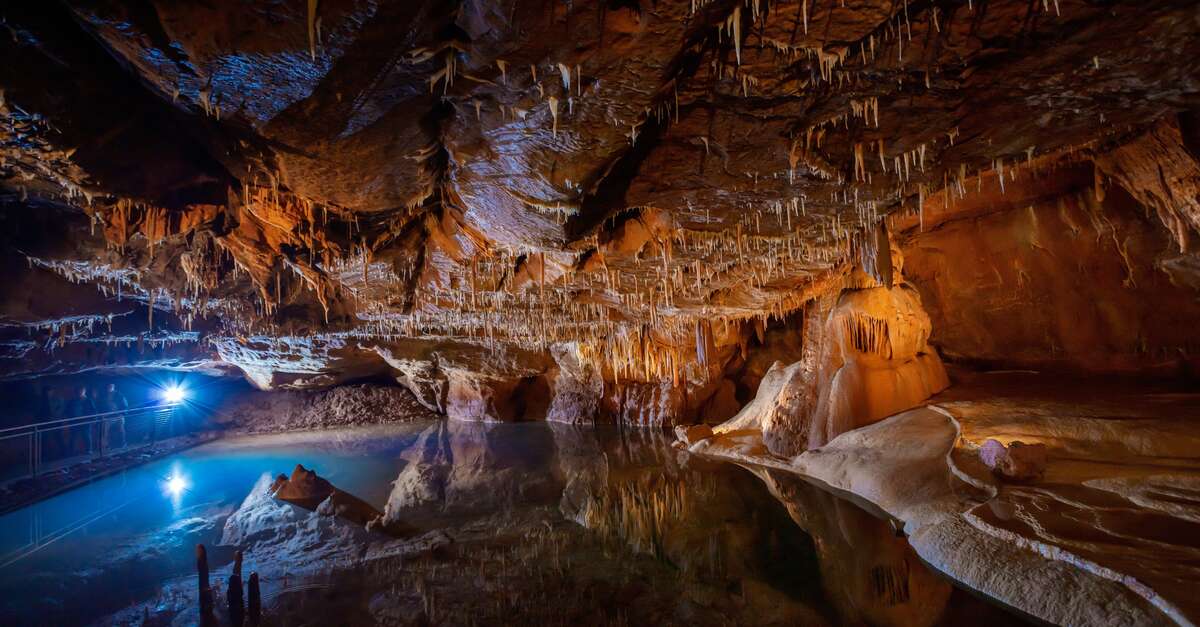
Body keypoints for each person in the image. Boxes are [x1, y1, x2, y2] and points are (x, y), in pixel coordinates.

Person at [66, 386, 95, 456]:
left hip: (85, 421)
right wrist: (69, 419)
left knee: (86, 435)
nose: (80, 392)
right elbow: (68, 410)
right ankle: (72, 451)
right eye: (79, 391)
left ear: (84, 391)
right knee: (74, 436)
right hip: (75, 421)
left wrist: (92, 419)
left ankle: (88, 450)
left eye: (82, 391)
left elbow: (93, 410)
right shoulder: (73, 401)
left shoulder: (88, 400)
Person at [98, 383, 128, 450]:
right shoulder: (104, 395)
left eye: (111, 386)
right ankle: (105, 446)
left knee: (121, 430)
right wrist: (102, 415)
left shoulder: (119, 395)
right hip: (108, 416)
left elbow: (124, 405)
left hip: (118, 416)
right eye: (108, 386)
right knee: (104, 431)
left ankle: (123, 444)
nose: (109, 387)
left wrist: (122, 414)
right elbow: (101, 406)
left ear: (113, 387)